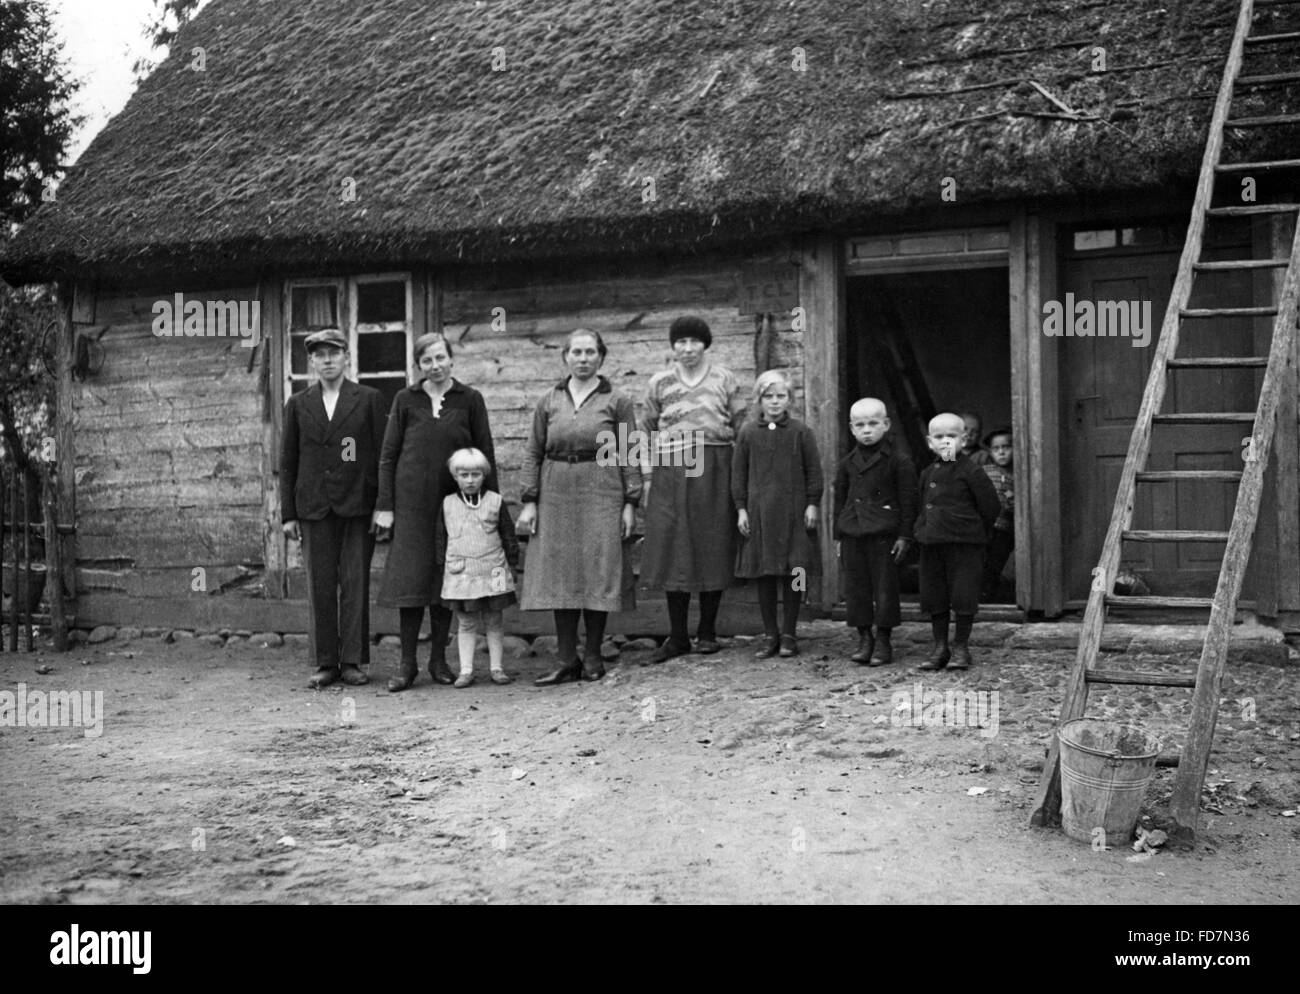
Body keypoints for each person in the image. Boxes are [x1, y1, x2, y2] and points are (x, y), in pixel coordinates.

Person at [374, 333, 498, 692]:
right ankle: (407, 663)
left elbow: (484, 452)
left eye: (440, 358)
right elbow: (388, 455)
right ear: (419, 366)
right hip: (411, 503)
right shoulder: (404, 399)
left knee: (449, 578)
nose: (435, 366)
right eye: (427, 361)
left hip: (455, 503)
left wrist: (488, 506)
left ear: (451, 359)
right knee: (411, 581)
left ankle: (439, 661)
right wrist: (385, 506)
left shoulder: (470, 399)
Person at [517, 329, 641, 685]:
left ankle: (592, 656)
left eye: (590, 352)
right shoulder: (549, 400)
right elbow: (533, 451)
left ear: (601, 357)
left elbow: (629, 452)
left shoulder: (617, 400)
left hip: (601, 488)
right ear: (565, 357)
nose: (583, 358)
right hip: (555, 490)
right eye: (577, 352)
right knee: (562, 571)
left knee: (597, 568)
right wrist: (529, 500)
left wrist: (631, 502)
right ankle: (566, 658)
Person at [280, 328, 389, 688]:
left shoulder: (369, 399)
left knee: (355, 583)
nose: (327, 360)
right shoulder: (298, 404)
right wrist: (288, 513)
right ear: (311, 362)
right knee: (320, 585)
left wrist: (382, 505)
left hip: (358, 504)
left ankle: (353, 660)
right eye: (319, 355)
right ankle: (325, 662)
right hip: (313, 507)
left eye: (333, 353)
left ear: (347, 357)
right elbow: (288, 460)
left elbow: (380, 456)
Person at [641, 315, 748, 661]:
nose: (687, 349)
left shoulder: (724, 379)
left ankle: (707, 631)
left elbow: (742, 427)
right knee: (675, 544)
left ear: (706, 344)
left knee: (712, 540)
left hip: (715, 465)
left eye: (694, 342)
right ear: (672, 347)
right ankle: (677, 636)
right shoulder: (659, 383)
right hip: (671, 468)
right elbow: (643, 429)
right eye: (681, 342)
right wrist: (645, 472)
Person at [732, 370, 824, 658]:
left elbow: (814, 471)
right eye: (768, 396)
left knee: (793, 571)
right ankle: (770, 634)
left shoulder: (801, 432)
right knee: (765, 573)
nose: (774, 402)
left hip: (794, 513)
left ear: (790, 399)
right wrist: (741, 509)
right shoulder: (748, 432)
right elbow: (738, 474)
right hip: (760, 514)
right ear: (759, 399)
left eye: (780, 396)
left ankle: (789, 633)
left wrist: (812, 503)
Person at [833, 397, 918, 667]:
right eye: (860, 425)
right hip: (853, 533)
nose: (867, 430)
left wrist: (905, 536)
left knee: (884, 589)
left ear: (886, 425)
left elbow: (909, 501)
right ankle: (864, 638)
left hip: (884, 535)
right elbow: (841, 500)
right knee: (857, 588)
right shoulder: (847, 463)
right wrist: (838, 535)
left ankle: (883, 639)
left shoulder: (898, 461)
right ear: (851, 428)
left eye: (873, 423)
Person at [915, 412, 1001, 670]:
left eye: (951, 436)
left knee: (964, 596)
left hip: (965, 545)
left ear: (963, 440)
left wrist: (972, 532)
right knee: (935, 596)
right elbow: (922, 505)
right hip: (933, 546)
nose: (945, 442)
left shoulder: (972, 471)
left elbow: (991, 507)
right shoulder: (928, 473)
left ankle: (961, 647)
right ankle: (940, 647)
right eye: (939, 437)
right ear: (930, 442)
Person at [436, 448, 520, 688]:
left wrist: (512, 564)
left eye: (475, 474)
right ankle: (466, 670)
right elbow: (440, 539)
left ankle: (497, 668)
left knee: (494, 620)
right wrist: (444, 567)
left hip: (493, 569)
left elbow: (508, 535)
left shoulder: (495, 501)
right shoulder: (448, 504)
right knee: (466, 622)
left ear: (484, 475)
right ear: (455, 476)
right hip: (461, 571)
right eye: (464, 475)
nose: (470, 480)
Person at [980, 427, 1015, 602]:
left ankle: (988, 597)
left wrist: (1011, 499)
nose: (1001, 452)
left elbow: (1020, 508)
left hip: (1004, 530)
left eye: (1006, 447)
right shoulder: (984, 471)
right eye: (996, 448)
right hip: (983, 528)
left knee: (995, 565)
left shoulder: (1018, 476)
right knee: (979, 564)